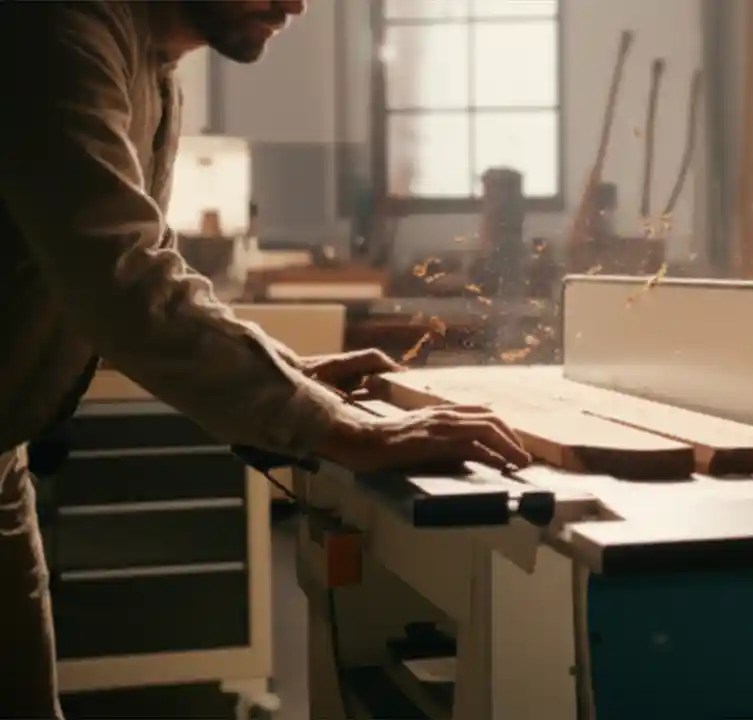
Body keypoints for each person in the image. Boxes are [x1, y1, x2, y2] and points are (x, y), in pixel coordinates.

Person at [0, 2, 531, 716]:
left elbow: (113, 279)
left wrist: (287, 376)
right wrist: (343, 430)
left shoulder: (151, 65)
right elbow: (120, 279)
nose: (298, 3)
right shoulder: (55, 31)